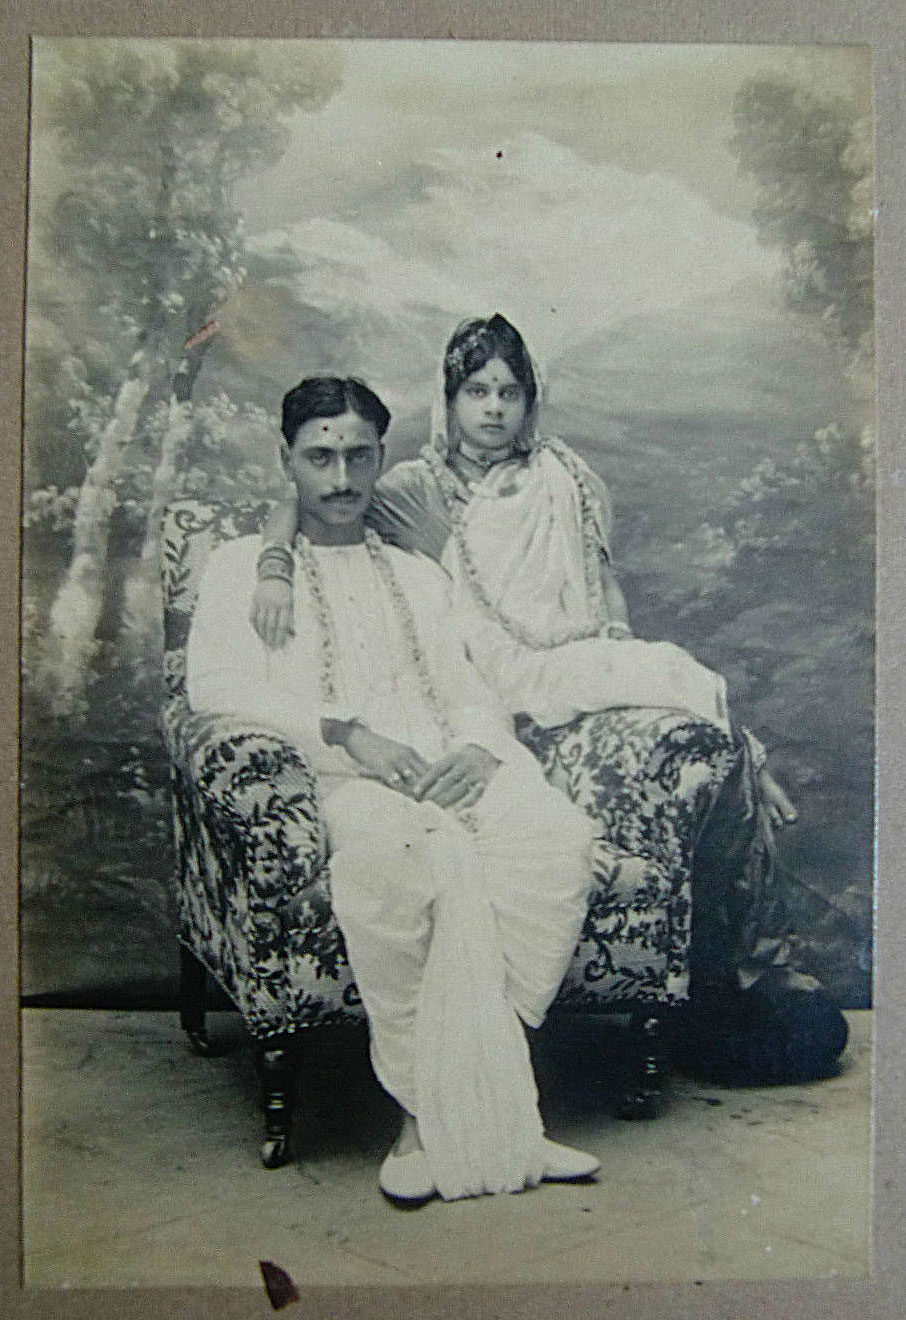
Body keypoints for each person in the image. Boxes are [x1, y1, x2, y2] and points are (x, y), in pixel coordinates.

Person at [250, 317, 849, 1086]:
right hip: (474, 686)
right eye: (476, 391)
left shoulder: (565, 481)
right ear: (450, 399)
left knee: (678, 685)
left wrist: (617, 664)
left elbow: (603, 598)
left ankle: (742, 967)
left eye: (510, 391)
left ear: (530, 402)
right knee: (682, 693)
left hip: (562, 665)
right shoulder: (408, 491)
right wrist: (272, 565)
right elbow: (301, 501)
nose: (493, 409)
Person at [186, 375, 603, 1205]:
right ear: (288, 460)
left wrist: (482, 749)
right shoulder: (244, 569)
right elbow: (214, 686)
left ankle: (496, 1103)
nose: (341, 479)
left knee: (557, 843)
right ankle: (424, 1118)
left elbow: (471, 682)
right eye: (320, 457)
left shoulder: (418, 574)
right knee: (396, 866)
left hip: (446, 762)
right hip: (337, 779)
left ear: (381, 458)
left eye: (358, 456)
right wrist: (344, 732)